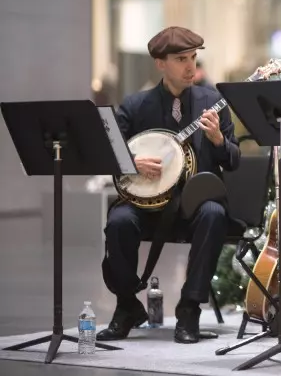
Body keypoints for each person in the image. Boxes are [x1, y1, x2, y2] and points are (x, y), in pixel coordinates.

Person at [97, 26, 241, 344]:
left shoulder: (214, 101)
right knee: (119, 221)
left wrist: (218, 139)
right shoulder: (135, 106)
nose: (191, 67)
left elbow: (233, 161)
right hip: (147, 204)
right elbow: (108, 156)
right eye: (180, 59)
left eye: (192, 58)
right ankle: (126, 306)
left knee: (214, 214)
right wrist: (131, 163)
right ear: (160, 63)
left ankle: (189, 311)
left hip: (195, 204)